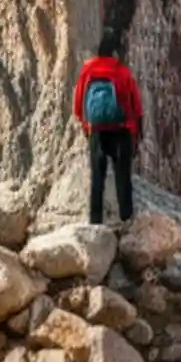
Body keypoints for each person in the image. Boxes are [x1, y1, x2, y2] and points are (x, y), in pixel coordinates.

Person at [73, 29, 143, 224]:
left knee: (97, 180)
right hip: (121, 131)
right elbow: (136, 107)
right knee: (123, 179)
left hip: (97, 130)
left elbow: (79, 103)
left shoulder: (88, 70)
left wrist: (87, 127)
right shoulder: (122, 71)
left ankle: (95, 222)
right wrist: (135, 135)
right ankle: (126, 221)